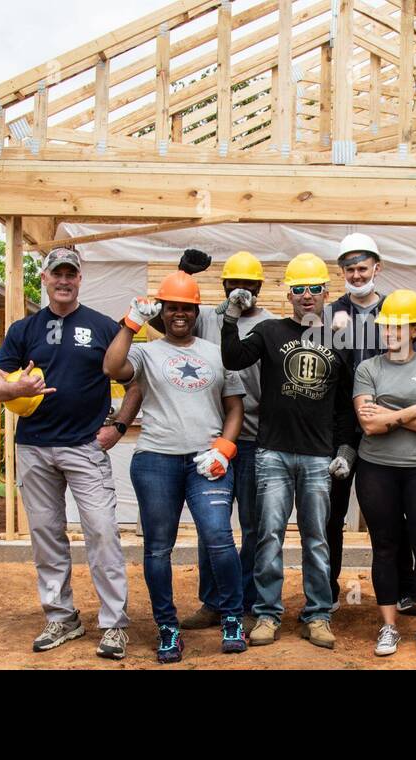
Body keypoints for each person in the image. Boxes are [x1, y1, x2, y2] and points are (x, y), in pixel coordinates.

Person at [0, 247, 137, 660]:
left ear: (80, 279)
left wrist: (118, 426)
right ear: (44, 279)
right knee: (46, 535)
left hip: (85, 446)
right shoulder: (23, 330)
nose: (64, 280)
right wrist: (16, 389)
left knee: (102, 532)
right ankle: (62, 616)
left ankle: (114, 624)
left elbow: (135, 383)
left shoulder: (103, 327)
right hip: (34, 448)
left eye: (71, 273)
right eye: (57, 273)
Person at [103, 270, 248, 664]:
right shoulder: (148, 353)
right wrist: (130, 323)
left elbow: (235, 407)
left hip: (207, 461)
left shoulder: (218, 353)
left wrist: (224, 447)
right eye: (172, 307)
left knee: (218, 536)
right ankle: (167, 627)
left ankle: (232, 617)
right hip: (156, 461)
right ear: (162, 312)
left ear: (196, 310)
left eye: (186, 307)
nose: (179, 314)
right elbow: (112, 368)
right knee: (158, 548)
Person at [220, 253, 356, 649]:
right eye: (299, 288)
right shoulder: (269, 330)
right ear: (289, 293)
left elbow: (346, 403)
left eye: (315, 288)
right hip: (273, 453)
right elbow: (233, 357)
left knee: (317, 538)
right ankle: (266, 613)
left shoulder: (338, 339)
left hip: (317, 456)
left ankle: (317, 615)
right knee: (269, 536)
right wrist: (230, 316)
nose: (307, 295)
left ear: (326, 293)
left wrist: (346, 449)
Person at [143, 251, 277, 633]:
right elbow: (164, 313)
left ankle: (246, 602)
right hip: (210, 439)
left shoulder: (271, 324)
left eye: (249, 285)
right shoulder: (208, 318)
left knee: (252, 526)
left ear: (260, 287)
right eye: (234, 284)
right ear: (223, 286)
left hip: (253, 438)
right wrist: (182, 274)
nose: (241, 292)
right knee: (211, 526)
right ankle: (213, 602)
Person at [352, 290, 416, 659]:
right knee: (386, 547)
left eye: (399, 325)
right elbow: (369, 426)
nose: (391, 331)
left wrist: (389, 415)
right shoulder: (368, 369)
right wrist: (411, 412)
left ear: (415, 329)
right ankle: (389, 626)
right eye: (386, 325)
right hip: (376, 470)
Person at [324, 232, 416, 614]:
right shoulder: (328, 314)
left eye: (363, 268)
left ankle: (402, 589)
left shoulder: (396, 309)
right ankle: (326, 590)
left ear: (377, 268)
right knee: (330, 513)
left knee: (392, 513)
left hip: (388, 425)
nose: (357, 275)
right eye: (350, 269)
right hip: (339, 428)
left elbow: (412, 361)